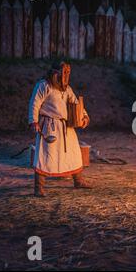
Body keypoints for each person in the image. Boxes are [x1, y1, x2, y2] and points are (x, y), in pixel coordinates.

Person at [29, 62, 91, 197]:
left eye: (67, 73)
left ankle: (78, 181)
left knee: (74, 153)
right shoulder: (43, 86)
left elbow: (76, 103)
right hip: (49, 127)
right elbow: (35, 103)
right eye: (63, 73)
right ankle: (38, 187)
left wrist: (84, 116)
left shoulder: (67, 89)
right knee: (45, 155)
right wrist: (33, 121)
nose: (65, 76)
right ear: (55, 73)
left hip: (66, 127)